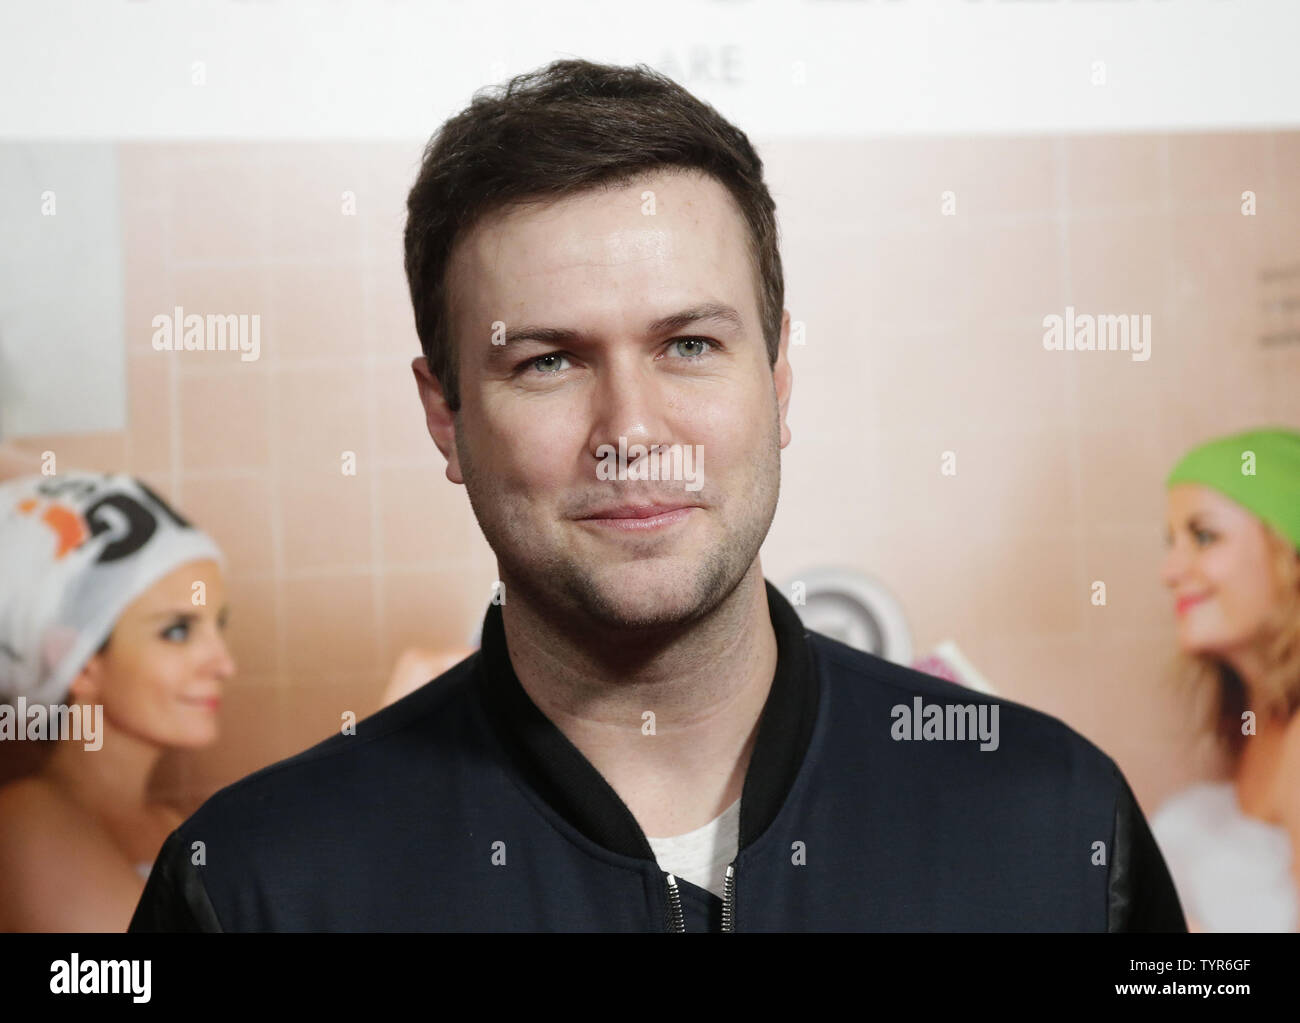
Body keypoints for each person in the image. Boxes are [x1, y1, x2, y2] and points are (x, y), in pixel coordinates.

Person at [130, 58, 1184, 932]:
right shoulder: (252, 889)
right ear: (444, 415)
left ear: (776, 385)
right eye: (547, 362)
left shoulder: (1058, 827)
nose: (632, 434)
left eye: (688, 344)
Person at [0, 471, 234, 931]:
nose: (224, 663)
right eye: (177, 631)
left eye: (218, 625)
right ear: (78, 662)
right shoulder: (21, 825)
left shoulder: (169, 824)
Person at [1151, 428, 1300, 931]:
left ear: (1289, 555)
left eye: (1204, 536)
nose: (1170, 571)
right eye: (1171, 542)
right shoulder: (1254, 717)